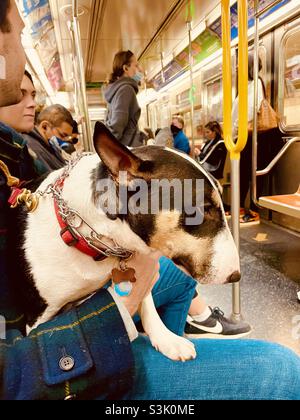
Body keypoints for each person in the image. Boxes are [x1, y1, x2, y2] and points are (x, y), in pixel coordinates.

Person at [1, 1, 300, 401]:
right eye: (18, 34)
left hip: (100, 274)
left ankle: (179, 332)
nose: (29, 95)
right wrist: (126, 301)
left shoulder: (15, 149)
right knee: (280, 372)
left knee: (174, 277)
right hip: (46, 364)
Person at [232, 54, 283, 224]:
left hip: (257, 137)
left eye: (241, 65)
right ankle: (239, 207)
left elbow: (251, 110)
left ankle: (254, 210)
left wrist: (235, 128)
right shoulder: (245, 86)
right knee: (243, 173)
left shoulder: (256, 85)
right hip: (248, 136)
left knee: (254, 173)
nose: (237, 68)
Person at [104, 50, 144, 147]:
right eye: (136, 65)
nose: (140, 69)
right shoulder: (126, 89)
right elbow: (117, 126)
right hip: (128, 151)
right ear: (126, 68)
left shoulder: (117, 90)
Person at [23, 104, 74, 174]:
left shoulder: (50, 146)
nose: (64, 140)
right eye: (62, 135)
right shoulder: (32, 148)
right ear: (45, 127)